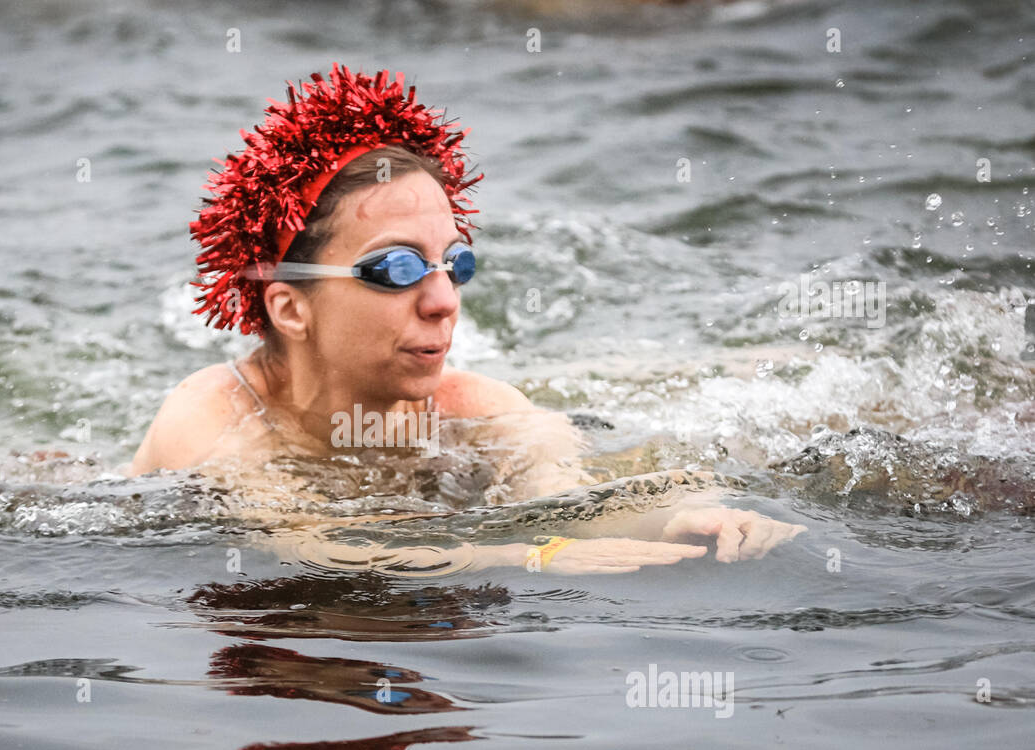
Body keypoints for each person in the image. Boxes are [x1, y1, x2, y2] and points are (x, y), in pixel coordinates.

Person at [123, 64, 805, 575]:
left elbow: (567, 502)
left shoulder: (473, 408)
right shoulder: (213, 414)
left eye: (454, 263)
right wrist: (521, 557)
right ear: (290, 306)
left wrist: (681, 520)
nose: (444, 298)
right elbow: (304, 541)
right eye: (395, 268)